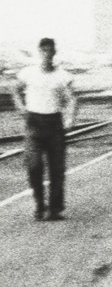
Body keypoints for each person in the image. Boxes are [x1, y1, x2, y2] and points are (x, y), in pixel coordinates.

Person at [12, 37, 77, 222]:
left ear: (54, 53)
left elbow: (72, 98)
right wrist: (21, 108)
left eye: (50, 51)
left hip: (55, 124)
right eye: (44, 51)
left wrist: (70, 118)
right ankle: (40, 204)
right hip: (34, 124)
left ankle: (54, 209)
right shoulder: (28, 73)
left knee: (56, 169)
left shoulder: (63, 76)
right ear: (39, 52)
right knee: (34, 166)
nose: (47, 54)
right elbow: (15, 89)